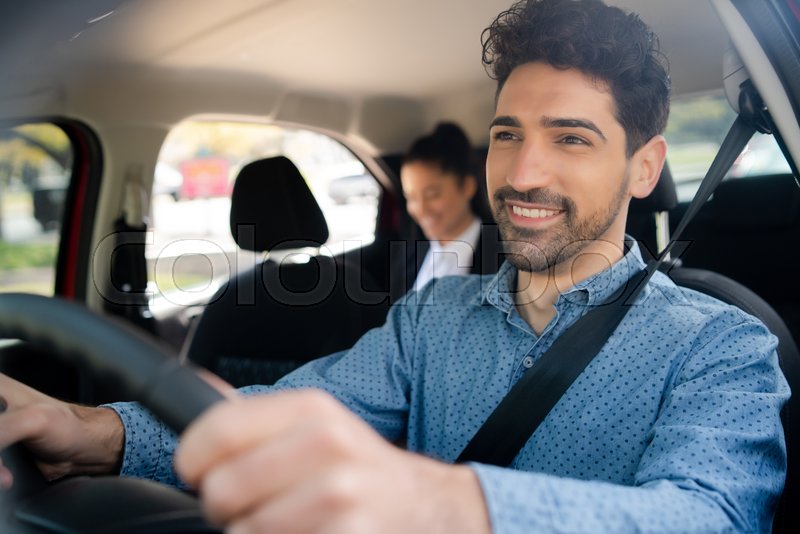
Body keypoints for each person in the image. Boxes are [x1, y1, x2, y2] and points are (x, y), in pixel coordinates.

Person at [0, 0, 789, 532]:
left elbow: (709, 516)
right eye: (507, 135)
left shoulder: (723, 345)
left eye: (571, 138)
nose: (522, 174)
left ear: (645, 167)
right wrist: (91, 431)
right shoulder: (430, 317)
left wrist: (442, 502)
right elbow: (289, 409)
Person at [395, 122, 500, 297]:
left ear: (467, 186)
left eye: (432, 195)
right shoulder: (409, 255)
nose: (421, 209)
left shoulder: (504, 257)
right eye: (411, 198)